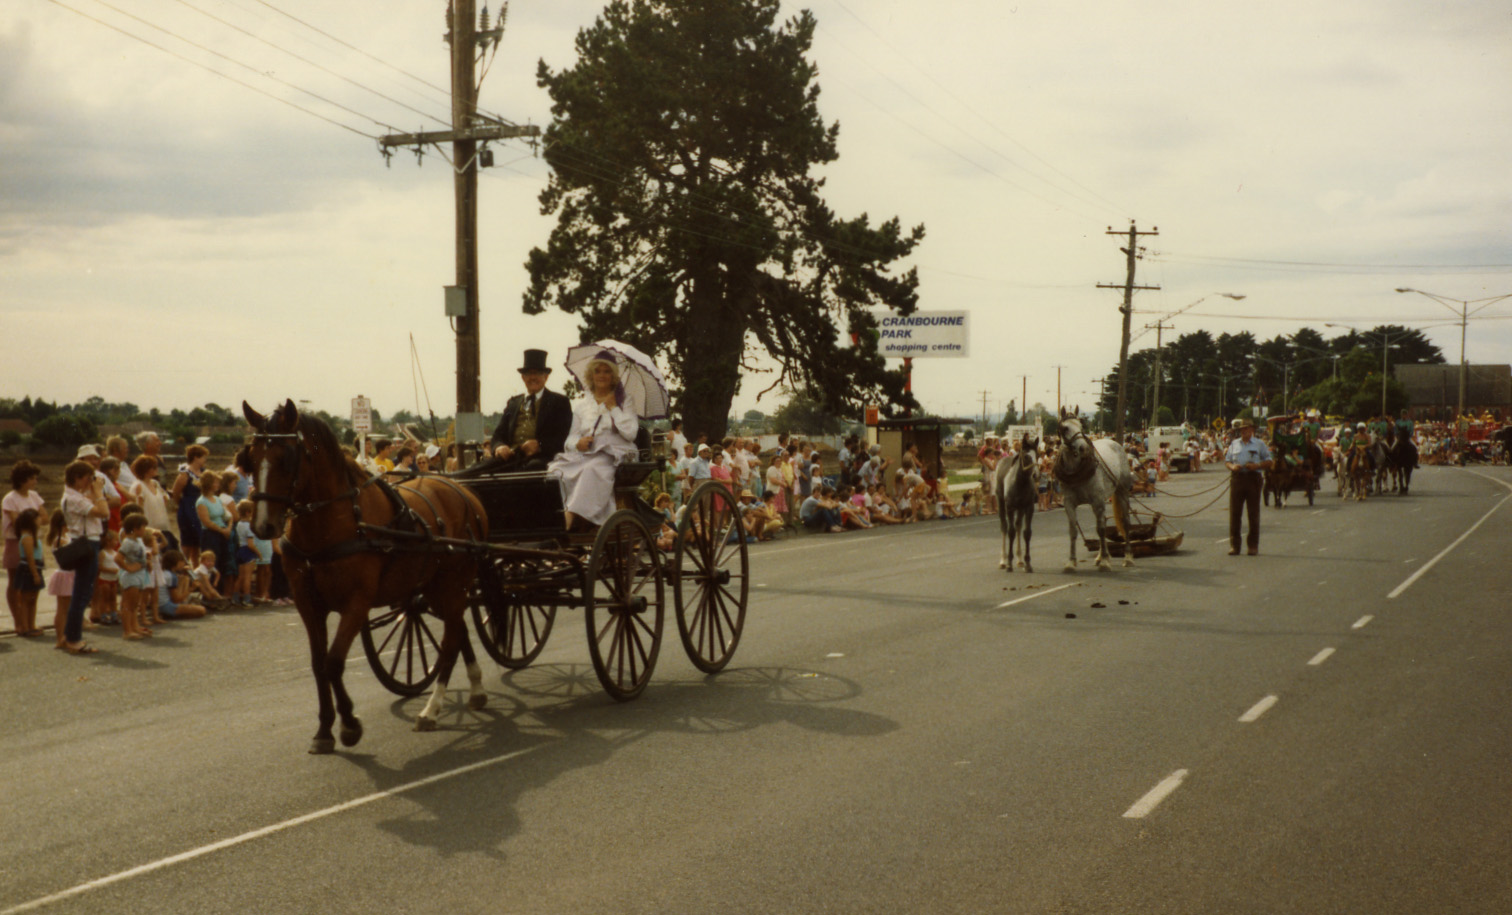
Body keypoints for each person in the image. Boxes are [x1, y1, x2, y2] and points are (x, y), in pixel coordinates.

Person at [546, 353, 640, 529]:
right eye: (597, 371)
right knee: (555, 470)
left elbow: (631, 433)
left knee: (591, 469)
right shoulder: (582, 406)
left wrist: (613, 408)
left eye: (607, 371)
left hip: (615, 452)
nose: (602, 375)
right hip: (587, 453)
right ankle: (556, 515)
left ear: (613, 376)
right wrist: (578, 443)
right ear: (591, 375)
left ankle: (570, 517)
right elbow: (570, 439)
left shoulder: (625, 401)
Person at [490, 348, 573, 470]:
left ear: (546, 377)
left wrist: (540, 445)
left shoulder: (559, 402)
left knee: (532, 468)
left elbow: (564, 437)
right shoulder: (513, 403)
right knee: (476, 472)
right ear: (523, 377)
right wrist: (499, 447)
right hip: (511, 458)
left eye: (538, 373)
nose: (533, 377)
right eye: (529, 374)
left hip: (541, 458)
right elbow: (498, 435)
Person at [57, 460, 108, 653]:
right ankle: (73, 639)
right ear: (77, 478)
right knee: (82, 594)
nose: (90, 482)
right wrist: (99, 492)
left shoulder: (74, 496)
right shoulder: (75, 499)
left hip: (85, 543)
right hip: (87, 544)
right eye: (88, 478)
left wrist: (93, 491)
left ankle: (69, 636)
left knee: (80, 592)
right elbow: (103, 512)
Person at [5, 460, 46, 627]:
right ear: (22, 479)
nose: (35, 482)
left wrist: (30, 521)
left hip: (34, 541)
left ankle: (29, 622)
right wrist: (32, 521)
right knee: (16, 581)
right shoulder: (10, 498)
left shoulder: (35, 496)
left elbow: (45, 517)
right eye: (32, 478)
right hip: (15, 543)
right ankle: (19, 621)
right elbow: (18, 525)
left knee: (30, 585)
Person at [1224, 417, 1271, 556]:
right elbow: (1227, 461)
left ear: (1252, 430)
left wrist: (1256, 466)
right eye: (1242, 429)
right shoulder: (1234, 444)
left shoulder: (1259, 444)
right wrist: (1233, 466)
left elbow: (1269, 461)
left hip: (1253, 479)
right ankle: (1235, 546)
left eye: (1247, 429)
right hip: (1238, 478)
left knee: (1253, 514)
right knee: (1235, 514)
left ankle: (1253, 545)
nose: (1244, 431)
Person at [171, 444, 209, 564]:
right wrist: (181, 505)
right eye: (203, 457)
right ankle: (182, 567)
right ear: (196, 458)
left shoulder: (204, 472)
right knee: (187, 543)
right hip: (188, 509)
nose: (205, 460)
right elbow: (176, 492)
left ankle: (195, 572)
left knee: (197, 544)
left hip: (200, 508)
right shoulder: (184, 474)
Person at [11, 508, 44, 637]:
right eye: (37, 518)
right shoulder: (27, 538)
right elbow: (30, 557)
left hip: (36, 567)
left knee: (33, 599)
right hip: (29, 569)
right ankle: (25, 626)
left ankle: (32, 624)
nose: (40, 520)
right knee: (26, 599)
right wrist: (35, 574)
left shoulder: (33, 536)